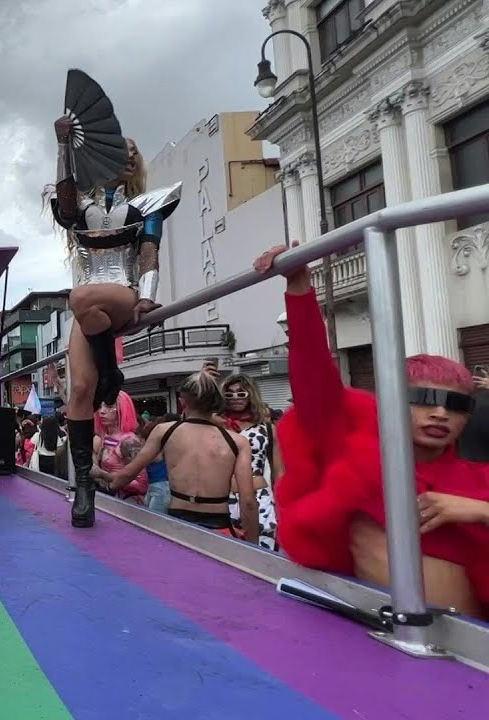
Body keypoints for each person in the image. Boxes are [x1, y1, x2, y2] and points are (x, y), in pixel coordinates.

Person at [255, 244, 489, 617]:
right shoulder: (357, 458)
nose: (441, 413)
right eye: (423, 400)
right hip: (373, 643)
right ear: (394, 401)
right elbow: (315, 377)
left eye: (457, 405)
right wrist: (299, 286)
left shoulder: (480, 479)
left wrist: (478, 510)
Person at [47, 113, 182, 529]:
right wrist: (64, 146)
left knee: (80, 296)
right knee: (82, 390)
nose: (127, 158)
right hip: (89, 314)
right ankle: (85, 485)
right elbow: (65, 201)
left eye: (133, 154)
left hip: (119, 294)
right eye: (119, 152)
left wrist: (147, 298)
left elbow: (149, 251)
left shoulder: (146, 204)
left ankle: (111, 371)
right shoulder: (81, 207)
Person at [107, 372, 259, 542]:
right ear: (216, 401)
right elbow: (248, 502)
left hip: (177, 526)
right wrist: (254, 548)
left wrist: (104, 482)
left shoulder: (165, 431)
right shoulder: (238, 441)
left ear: (182, 401)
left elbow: (128, 474)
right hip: (219, 526)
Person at [221, 374, 283, 550]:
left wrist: (281, 510)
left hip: (261, 501)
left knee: (264, 555)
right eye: (229, 394)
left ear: (251, 394)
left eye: (241, 393)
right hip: (223, 501)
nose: (235, 398)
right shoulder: (217, 425)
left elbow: (279, 472)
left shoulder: (268, 429)